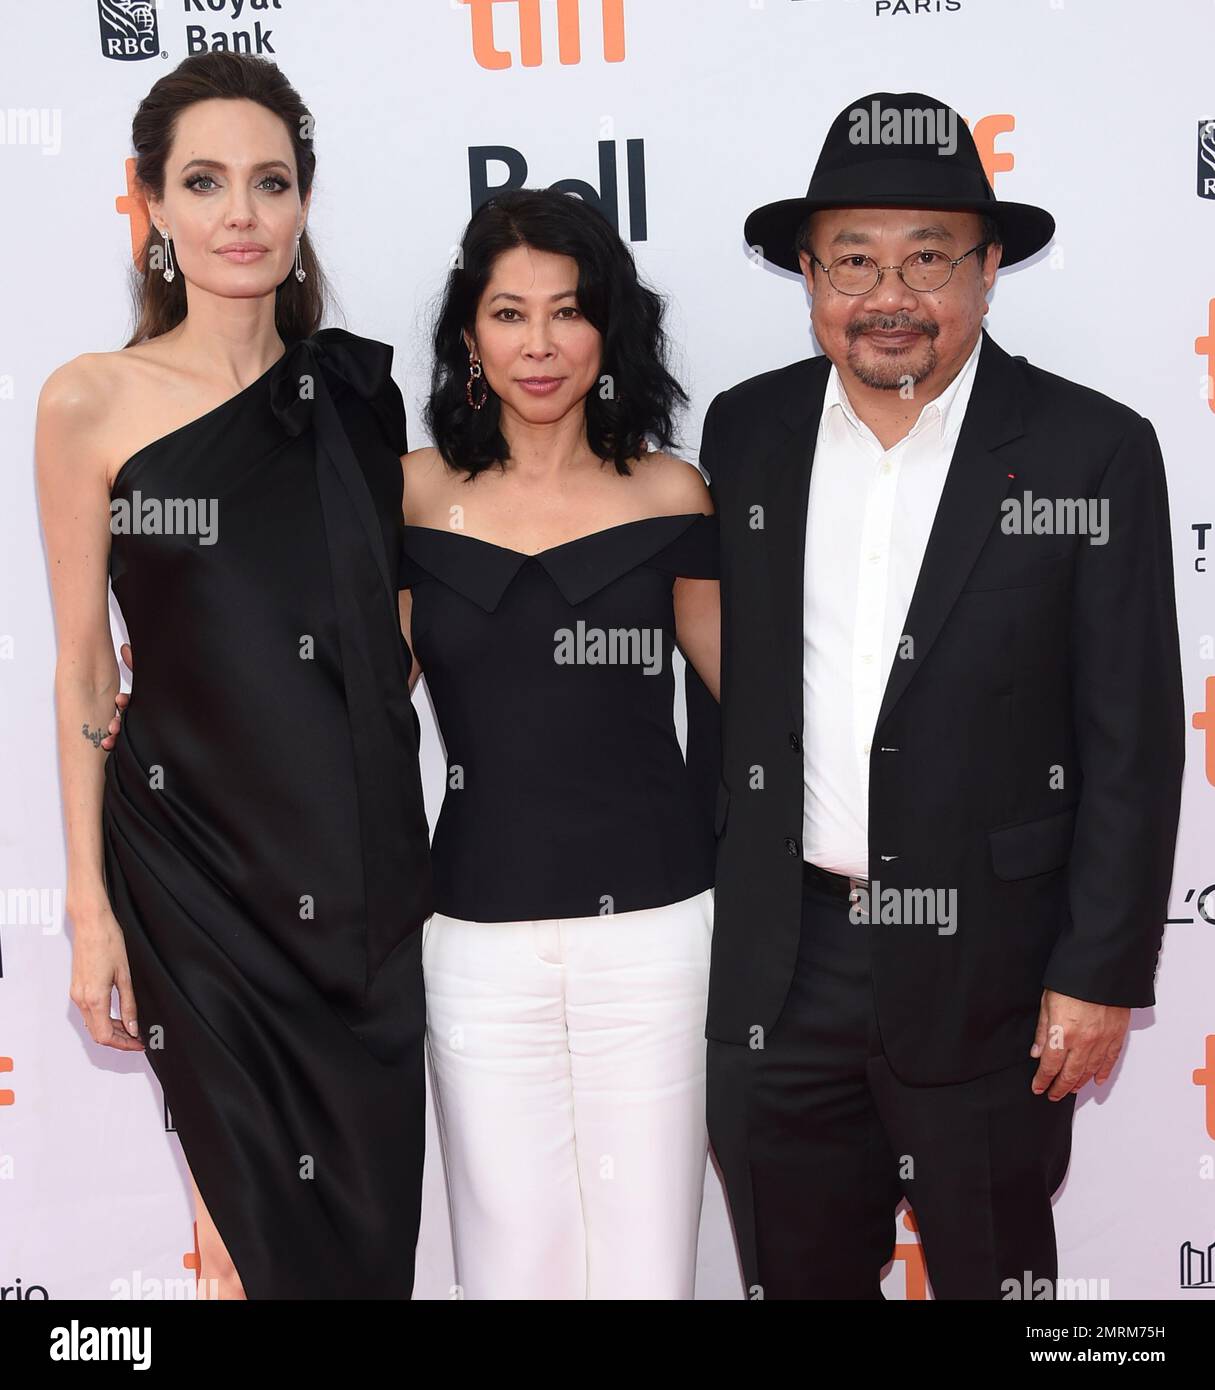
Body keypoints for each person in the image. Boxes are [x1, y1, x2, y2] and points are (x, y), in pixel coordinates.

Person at [702, 90, 1185, 1299]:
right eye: (853, 259)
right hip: (785, 959)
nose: (889, 295)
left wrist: (1099, 971)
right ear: (808, 277)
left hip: (999, 971)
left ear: (988, 270)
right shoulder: (746, 433)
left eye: (929, 257)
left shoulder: (1090, 450)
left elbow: (1130, 736)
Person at [36, 52, 431, 1299]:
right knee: (248, 1246)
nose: (240, 214)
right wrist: (92, 913)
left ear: (305, 201)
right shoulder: (88, 402)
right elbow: (87, 673)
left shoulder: (359, 401)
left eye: (270, 182)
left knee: (361, 1254)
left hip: (356, 886)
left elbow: (392, 643)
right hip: (191, 884)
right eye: (203, 182)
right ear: (147, 201)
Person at [398, 188, 722, 1298]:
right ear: (469, 337)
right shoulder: (409, 496)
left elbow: (761, 699)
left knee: (646, 1263)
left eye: (569, 312)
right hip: (475, 936)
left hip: (658, 933)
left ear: (608, 333)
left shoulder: (674, 492)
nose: (540, 344)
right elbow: (345, 715)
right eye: (508, 313)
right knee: (507, 1264)